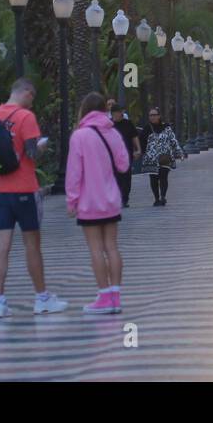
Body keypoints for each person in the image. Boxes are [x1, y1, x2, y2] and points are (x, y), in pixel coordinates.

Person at [0, 78, 67, 318]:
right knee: (32, 244)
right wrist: (41, 146)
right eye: (33, 98)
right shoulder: (25, 117)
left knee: (2, 243)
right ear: (28, 93)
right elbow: (31, 152)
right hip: (23, 187)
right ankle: (42, 298)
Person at [66, 92, 128, 313]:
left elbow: (74, 172)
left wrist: (71, 201)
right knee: (112, 246)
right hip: (111, 199)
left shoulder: (80, 136)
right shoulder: (112, 132)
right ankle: (116, 296)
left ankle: (103, 297)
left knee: (95, 249)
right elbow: (123, 165)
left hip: (88, 202)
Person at [138, 107, 180, 206]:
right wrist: (140, 152)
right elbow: (141, 142)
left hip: (164, 157)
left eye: (154, 115)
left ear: (159, 116)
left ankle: (163, 197)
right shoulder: (147, 128)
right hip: (151, 159)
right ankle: (156, 198)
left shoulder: (166, 127)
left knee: (163, 177)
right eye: (150, 115)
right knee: (153, 179)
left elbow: (173, 140)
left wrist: (179, 152)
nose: (152, 117)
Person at [106, 99, 139, 207]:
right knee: (116, 177)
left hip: (127, 154)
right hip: (112, 156)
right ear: (114, 113)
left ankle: (124, 199)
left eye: (122, 111)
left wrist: (138, 149)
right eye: (119, 111)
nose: (122, 113)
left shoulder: (128, 123)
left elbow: (134, 136)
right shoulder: (108, 124)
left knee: (126, 177)